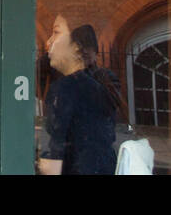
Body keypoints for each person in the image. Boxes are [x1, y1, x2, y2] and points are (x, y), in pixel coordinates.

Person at [38, 16, 121, 175]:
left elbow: (57, 144)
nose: (49, 42)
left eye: (56, 33)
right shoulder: (69, 83)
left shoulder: (75, 85)